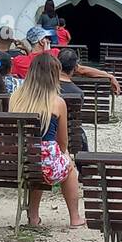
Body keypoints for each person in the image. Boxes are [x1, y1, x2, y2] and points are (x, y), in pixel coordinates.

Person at [9, 52, 84, 229]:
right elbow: (63, 141)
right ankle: (75, 218)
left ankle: (33, 217)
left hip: (19, 161)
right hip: (43, 165)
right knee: (69, 167)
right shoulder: (57, 102)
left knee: (37, 160)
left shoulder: (15, 97)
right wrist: (64, 154)